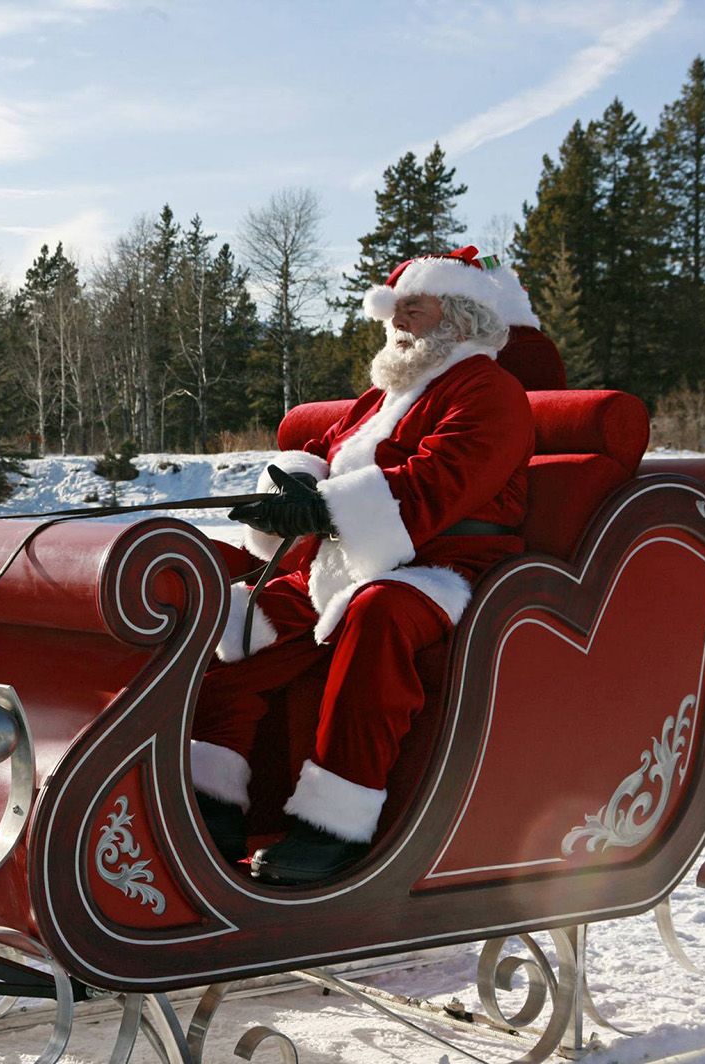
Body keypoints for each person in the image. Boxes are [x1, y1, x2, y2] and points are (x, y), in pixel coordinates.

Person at [193, 246, 536, 886]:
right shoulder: (379, 396)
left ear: (460, 316)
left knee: (378, 616)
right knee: (237, 627)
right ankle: (211, 807)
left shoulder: (491, 391)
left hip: (444, 569)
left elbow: (438, 483)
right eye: (395, 309)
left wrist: (322, 512)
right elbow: (319, 455)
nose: (398, 320)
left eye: (415, 306)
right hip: (345, 563)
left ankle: (333, 828)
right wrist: (281, 499)